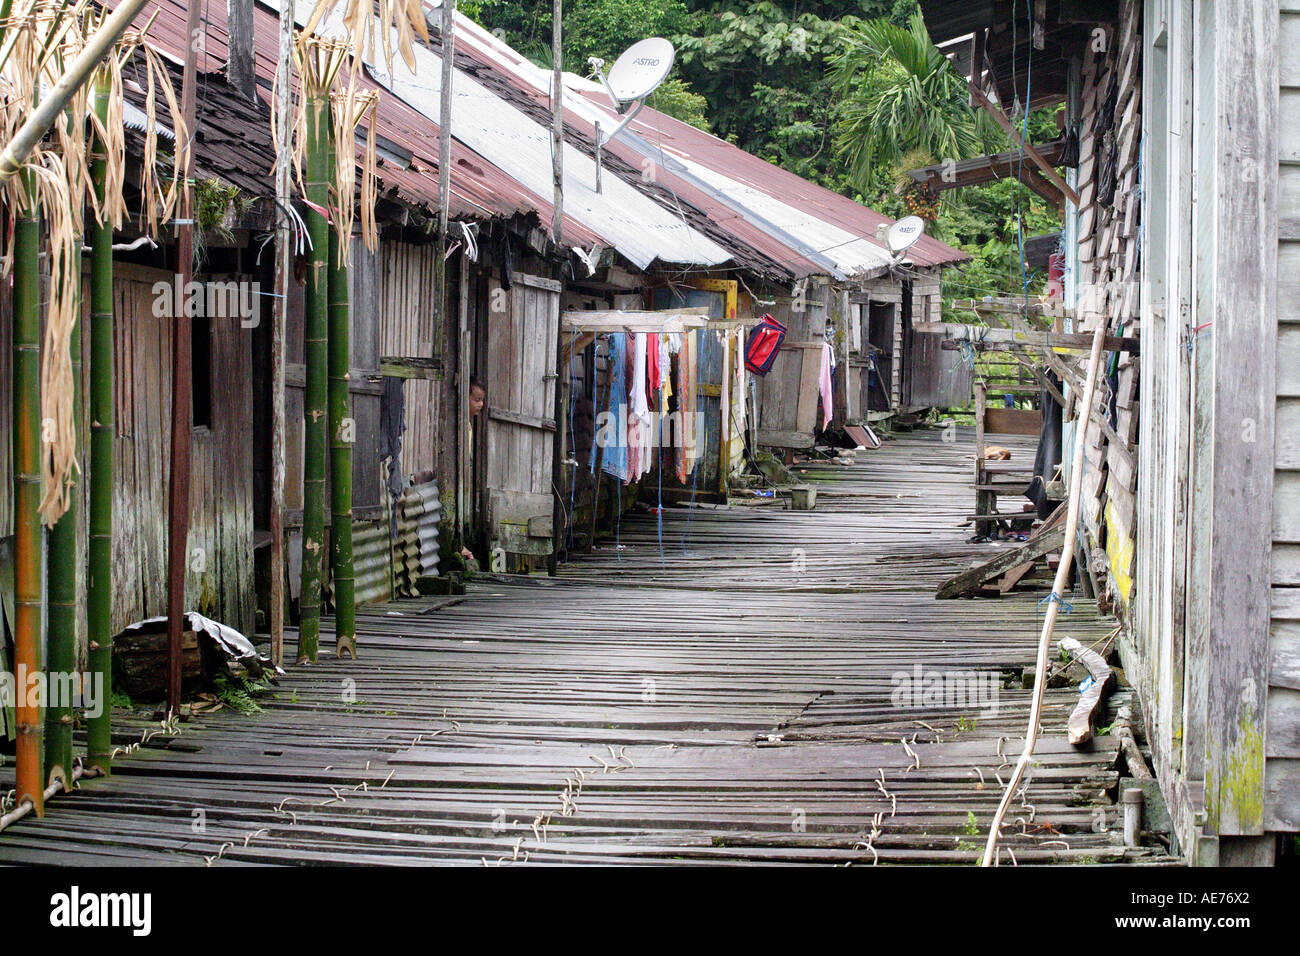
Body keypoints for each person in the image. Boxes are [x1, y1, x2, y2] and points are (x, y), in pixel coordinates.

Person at [460, 378, 487, 563]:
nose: (481, 404)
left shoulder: (468, 424)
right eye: (476, 399)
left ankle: (462, 543)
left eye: (482, 400)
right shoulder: (461, 423)